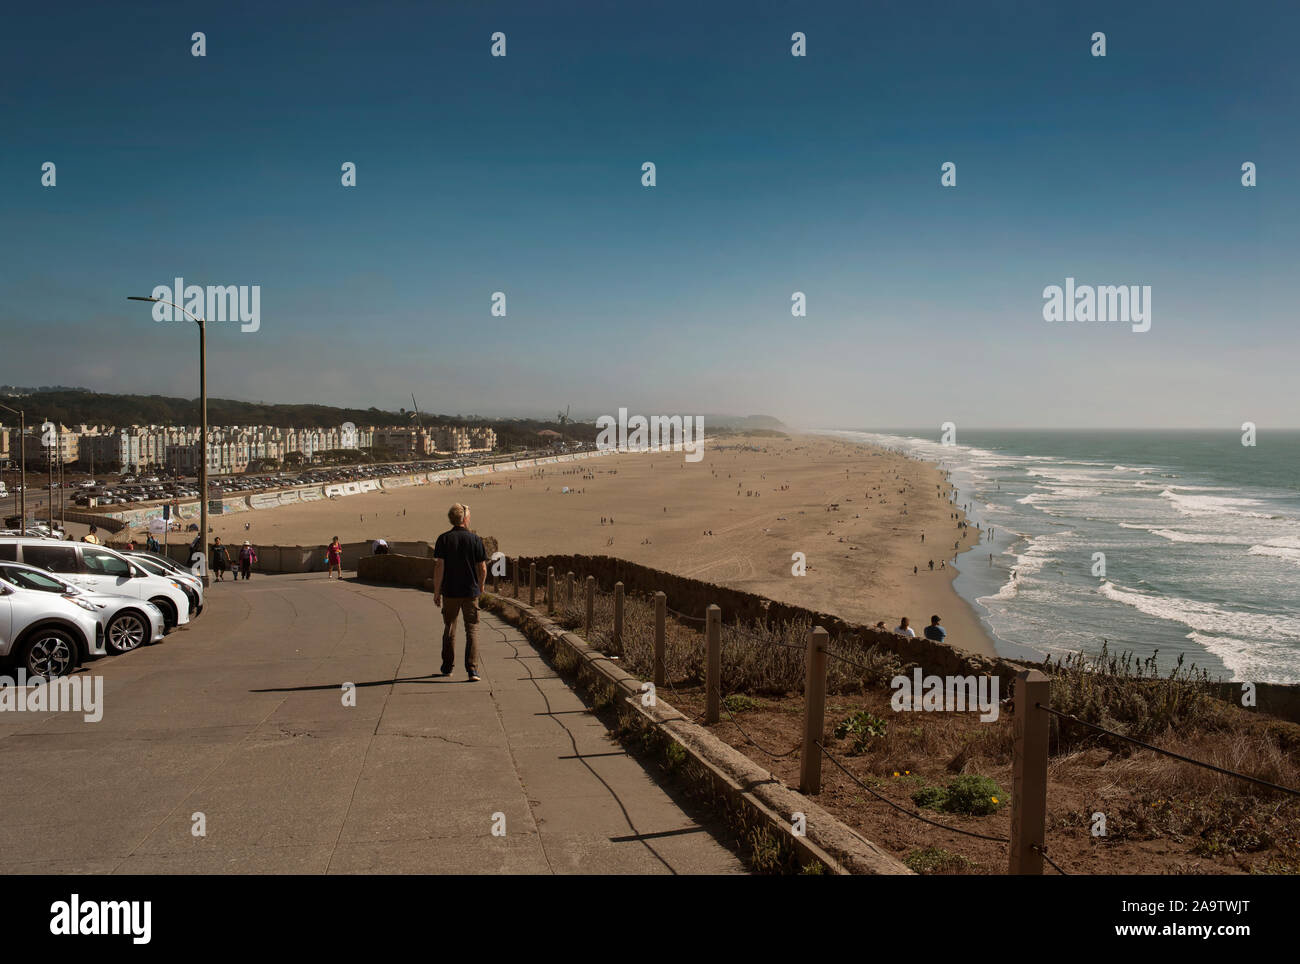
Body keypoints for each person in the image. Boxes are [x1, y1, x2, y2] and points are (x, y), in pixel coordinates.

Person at [433, 503, 487, 681]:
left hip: (450, 592)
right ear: (464, 518)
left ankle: (447, 667)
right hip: (470, 591)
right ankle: (472, 670)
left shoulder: (443, 539)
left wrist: (436, 591)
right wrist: (481, 586)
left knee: (449, 629)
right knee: (472, 630)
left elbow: (439, 566)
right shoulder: (475, 539)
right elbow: (483, 568)